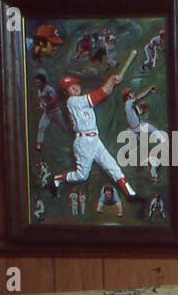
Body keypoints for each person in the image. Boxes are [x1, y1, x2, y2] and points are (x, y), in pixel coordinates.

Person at [47, 74, 138, 202]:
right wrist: (111, 81)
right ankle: (57, 179)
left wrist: (112, 83)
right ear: (65, 92)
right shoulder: (73, 101)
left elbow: (103, 93)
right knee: (82, 176)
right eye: (69, 87)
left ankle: (131, 195)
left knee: (113, 166)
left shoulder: (81, 100)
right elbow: (100, 94)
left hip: (94, 140)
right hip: (83, 142)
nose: (74, 87)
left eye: (75, 84)